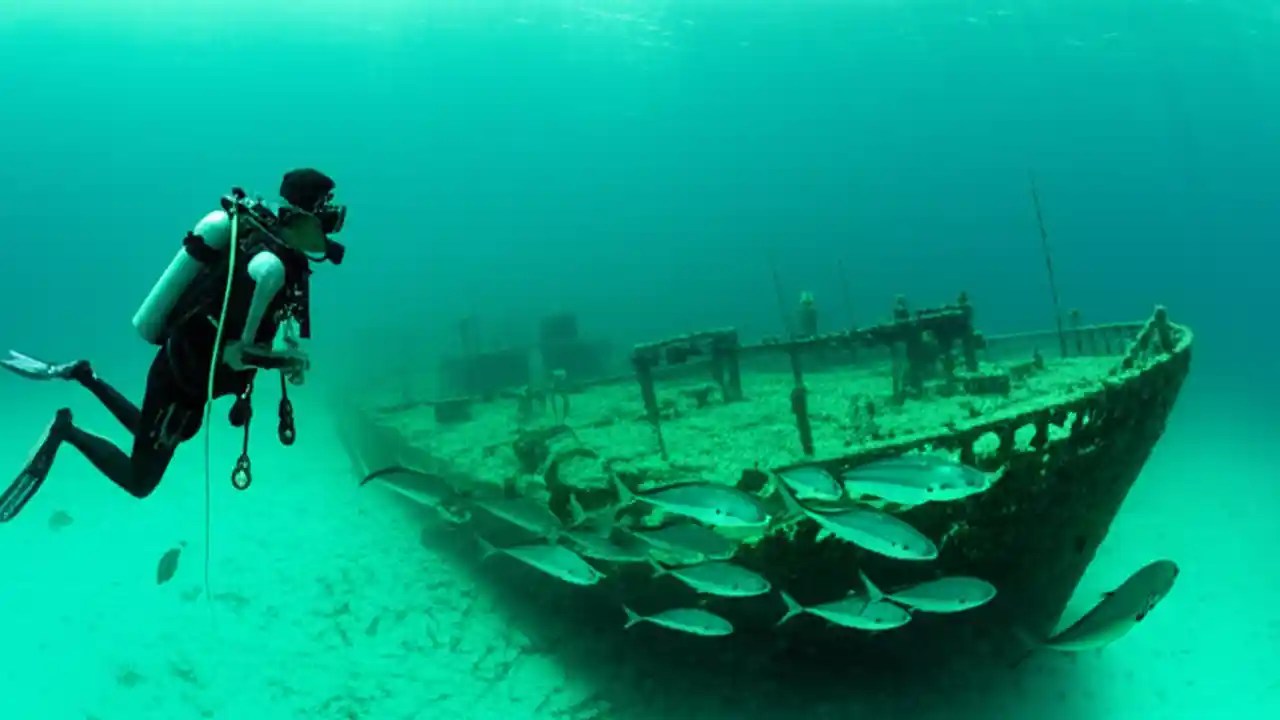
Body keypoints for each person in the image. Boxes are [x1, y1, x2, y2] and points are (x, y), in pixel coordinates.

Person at [0, 168, 349, 522]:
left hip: (189, 378)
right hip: (179, 380)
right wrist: (288, 361)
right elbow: (237, 352)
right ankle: (65, 430)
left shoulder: (286, 261)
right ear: (301, 215)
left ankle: (85, 375)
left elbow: (273, 325)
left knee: (151, 429)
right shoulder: (269, 267)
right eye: (326, 211)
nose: (334, 221)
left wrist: (287, 351)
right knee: (140, 480)